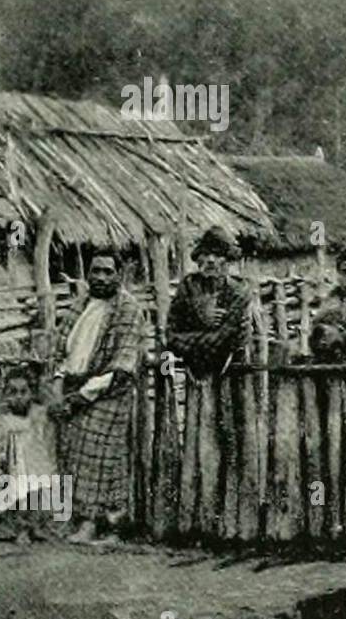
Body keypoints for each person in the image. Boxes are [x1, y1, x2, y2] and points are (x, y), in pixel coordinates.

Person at [53, 249, 148, 544]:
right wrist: (59, 385)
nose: (101, 277)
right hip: (75, 388)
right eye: (96, 271)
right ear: (88, 274)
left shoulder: (128, 310)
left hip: (108, 393)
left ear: (120, 275)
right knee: (78, 458)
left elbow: (123, 363)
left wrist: (83, 395)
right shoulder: (79, 306)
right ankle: (88, 521)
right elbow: (60, 349)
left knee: (105, 458)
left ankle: (109, 525)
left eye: (109, 271)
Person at [166, 226, 257, 374]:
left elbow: (226, 340)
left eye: (217, 255)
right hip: (193, 372)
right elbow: (171, 337)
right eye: (206, 254)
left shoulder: (238, 292)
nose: (210, 260)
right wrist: (200, 316)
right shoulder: (188, 287)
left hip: (232, 372)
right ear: (198, 258)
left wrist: (192, 334)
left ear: (227, 260)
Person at [0, 366, 59, 537]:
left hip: (35, 462)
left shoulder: (38, 415)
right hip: (15, 464)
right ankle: (20, 529)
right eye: (13, 392)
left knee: (35, 494)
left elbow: (47, 435)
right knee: (17, 496)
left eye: (23, 392)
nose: (18, 397)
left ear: (31, 393)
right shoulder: (3, 419)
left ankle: (35, 526)